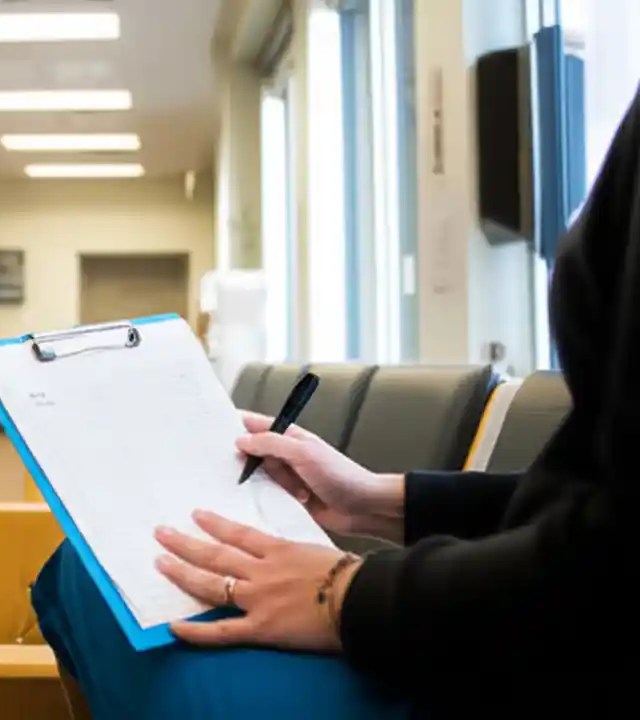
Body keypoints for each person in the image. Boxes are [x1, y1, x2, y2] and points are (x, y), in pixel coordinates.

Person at [33, 87, 640, 718]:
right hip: (518, 618)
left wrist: (343, 591)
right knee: (103, 567)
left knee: (97, 580)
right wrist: (377, 498)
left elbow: (612, 566)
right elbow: (595, 500)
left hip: (539, 664)